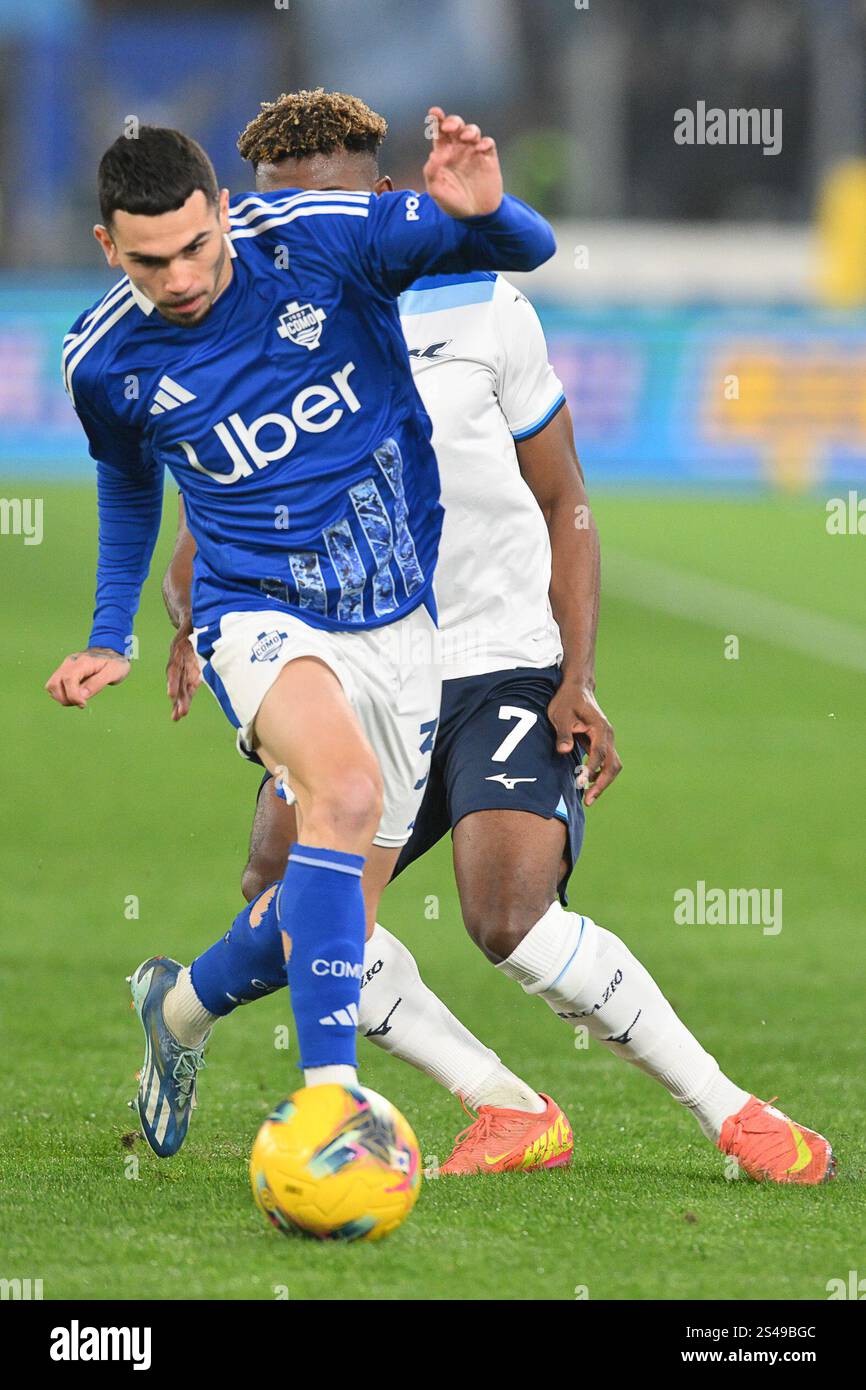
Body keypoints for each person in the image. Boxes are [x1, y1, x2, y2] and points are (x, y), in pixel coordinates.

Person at [160, 90, 836, 1185]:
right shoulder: (252, 324)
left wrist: (577, 673)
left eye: (318, 206)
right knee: (284, 892)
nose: (292, 234)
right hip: (358, 662)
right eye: (272, 212)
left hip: (497, 662)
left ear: (379, 199)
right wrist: (192, 605)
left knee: (507, 908)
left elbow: (565, 498)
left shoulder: (482, 311)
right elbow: (226, 491)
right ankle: (503, 1104)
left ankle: (727, 1108)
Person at [44, 110, 557, 1159]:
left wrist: (486, 208)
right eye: (148, 261)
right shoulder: (104, 358)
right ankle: (336, 1104)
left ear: (225, 211)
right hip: (258, 613)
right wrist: (115, 630)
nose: (179, 276)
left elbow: (523, 252)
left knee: (324, 919)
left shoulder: (321, 237)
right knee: (347, 794)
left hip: (398, 621)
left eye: (195, 245)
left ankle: (178, 1011)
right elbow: (129, 478)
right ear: (108, 247)